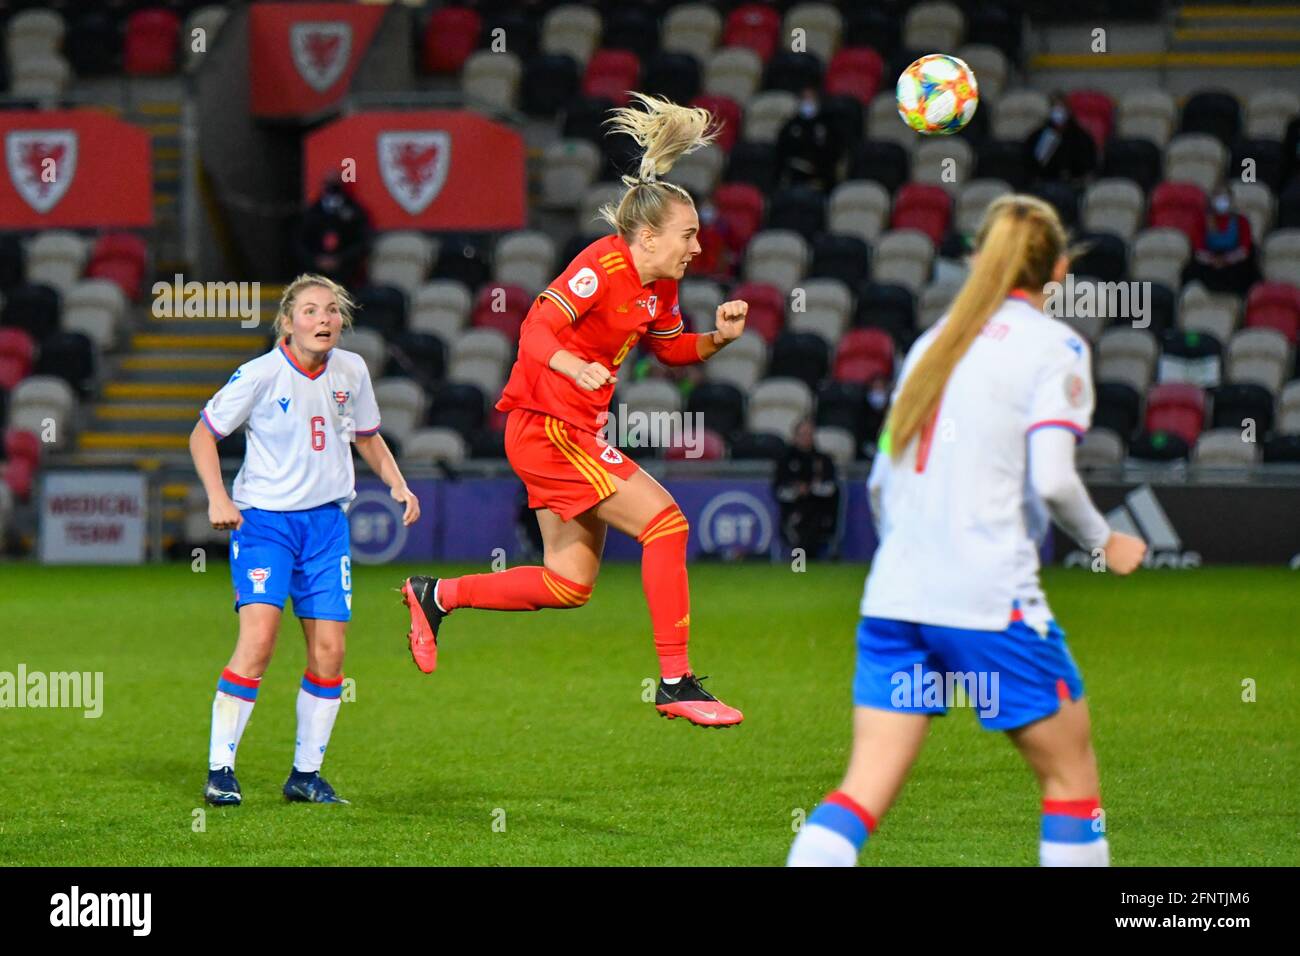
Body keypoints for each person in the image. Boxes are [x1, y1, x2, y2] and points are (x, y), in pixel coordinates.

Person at [786, 196, 1147, 867]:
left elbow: (880, 482)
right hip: (989, 601)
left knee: (860, 794)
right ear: (1059, 272)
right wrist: (1106, 541)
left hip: (895, 599)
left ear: (978, 259)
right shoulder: (1055, 346)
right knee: (1072, 785)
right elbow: (1054, 479)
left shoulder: (932, 343)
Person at [399, 93, 749, 727]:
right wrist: (570, 364)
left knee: (568, 583)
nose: (698, 247)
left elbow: (670, 348)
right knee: (666, 525)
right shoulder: (601, 264)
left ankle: (436, 595)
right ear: (648, 236)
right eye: (688, 234)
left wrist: (717, 339)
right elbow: (535, 330)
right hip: (547, 428)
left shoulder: (661, 284)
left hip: (570, 430)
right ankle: (675, 681)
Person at [190, 274, 419, 806]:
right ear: (288, 323)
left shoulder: (352, 370)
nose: (324, 319)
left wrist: (397, 482)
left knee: (330, 654)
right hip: (265, 524)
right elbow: (203, 433)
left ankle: (305, 776)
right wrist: (217, 497)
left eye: (333, 311)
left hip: (326, 528)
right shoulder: (261, 374)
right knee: (259, 642)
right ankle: (220, 769)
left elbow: (366, 435)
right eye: (311, 310)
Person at [773, 418, 840, 557]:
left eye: (809, 434)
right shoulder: (785, 460)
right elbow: (778, 490)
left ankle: (807, 564)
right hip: (794, 510)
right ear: (795, 436)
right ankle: (799, 566)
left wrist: (811, 489)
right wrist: (797, 490)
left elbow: (831, 489)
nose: (806, 438)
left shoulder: (823, 460)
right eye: (802, 434)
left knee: (813, 524)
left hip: (818, 510)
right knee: (798, 527)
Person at [290, 177, 372, 285]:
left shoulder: (354, 212)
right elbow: (299, 241)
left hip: (347, 275)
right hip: (314, 273)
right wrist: (316, 260)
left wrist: (341, 259)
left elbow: (363, 241)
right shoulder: (312, 213)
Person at [1184, 184, 1258, 296]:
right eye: (1218, 197)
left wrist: (1227, 260)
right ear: (1212, 200)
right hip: (1210, 263)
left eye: (1225, 198)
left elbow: (1245, 248)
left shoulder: (1241, 221)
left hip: (1234, 263)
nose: (1222, 202)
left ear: (1231, 200)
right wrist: (1213, 260)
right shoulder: (1202, 220)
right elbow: (1198, 249)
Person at [775, 86, 845, 192]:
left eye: (811, 98)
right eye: (805, 98)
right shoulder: (791, 125)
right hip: (795, 177)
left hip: (821, 178)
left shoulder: (828, 124)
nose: (808, 102)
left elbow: (834, 151)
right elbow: (781, 150)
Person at [1023, 93, 1097, 185]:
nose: (1058, 111)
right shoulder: (1037, 136)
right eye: (1055, 107)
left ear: (1069, 110)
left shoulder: (1082, 137)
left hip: (1073, 185)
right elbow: (1031, 163)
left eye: (1062, 107)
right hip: (1044, 184)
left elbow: (1088, 165)